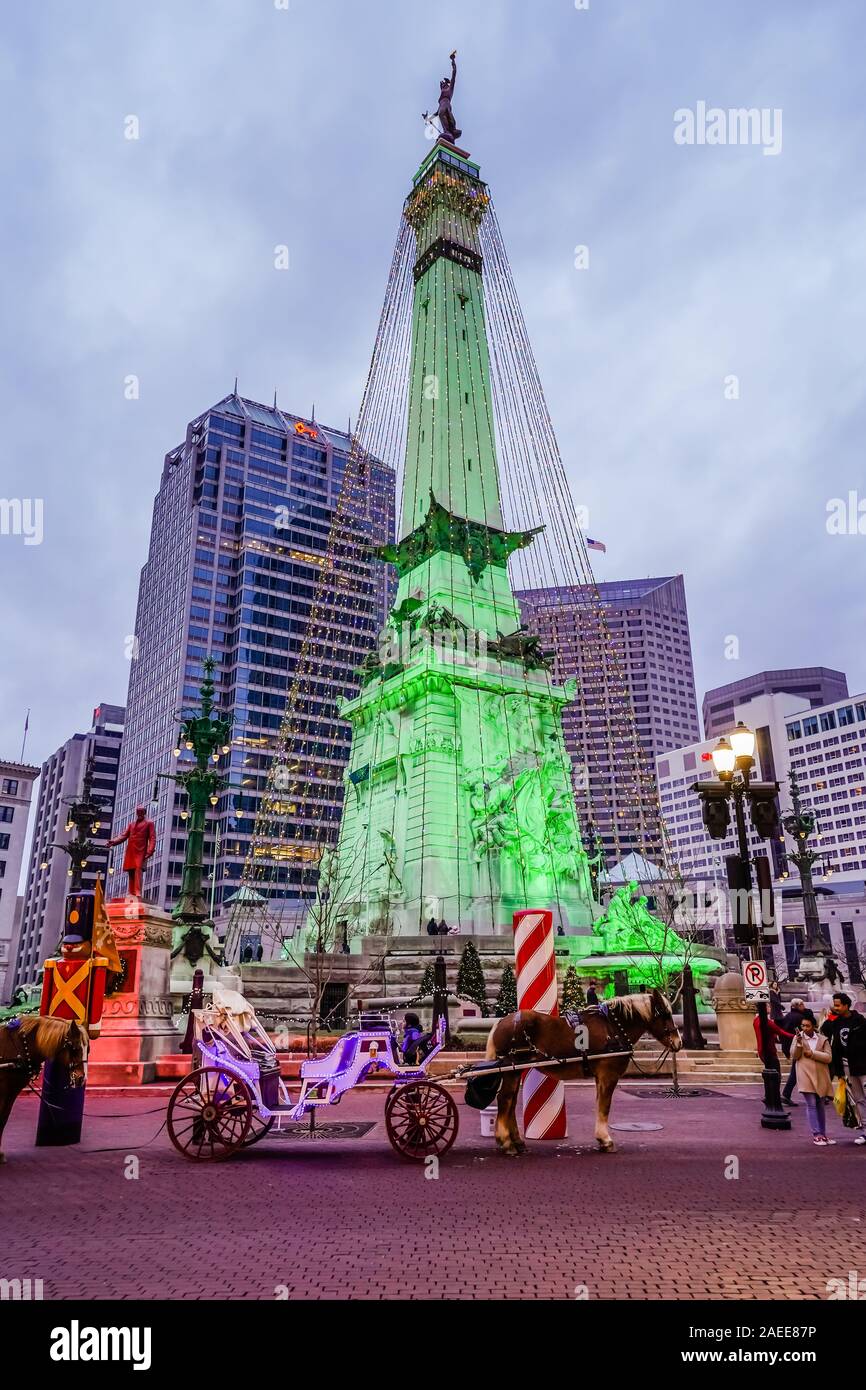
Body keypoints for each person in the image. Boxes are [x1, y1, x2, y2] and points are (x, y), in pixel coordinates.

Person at [822, 992, 866, 1145]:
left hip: (863, 1065)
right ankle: (865, 1131)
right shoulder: (835, 1023)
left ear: (846, 1005)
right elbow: (832, 1042)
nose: (836, 1008)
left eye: (838, 1005)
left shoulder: (860, 1021)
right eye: (835, 1005)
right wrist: (839, 1071)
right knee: (859, 1099)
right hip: (847, 1066)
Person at [791, 1016, 836, 1145]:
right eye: (802, 1026)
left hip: (821, 1075)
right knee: (811, 1103)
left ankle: (823, 1134)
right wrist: (799, 1043)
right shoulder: (797, 1038)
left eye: (807, 1026)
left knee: (820, 1104)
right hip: (805, 1074)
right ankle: (816, 1134)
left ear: (814, 1026)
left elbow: (828, 1057)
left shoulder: (823, 1039)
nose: (804, 1028)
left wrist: (813, 1054)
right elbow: (794, 1055)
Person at [780, 999, 814, 1106]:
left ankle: (786, 1094)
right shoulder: (800, 1018)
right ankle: (786, 1094)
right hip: (801, 1047)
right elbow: (805, 1033)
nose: (804, 1006)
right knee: (799, 1072)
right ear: (798, 1006)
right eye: (802, 1004)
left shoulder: (787, 1016)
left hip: (792, 1047)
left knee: (796, 1072)